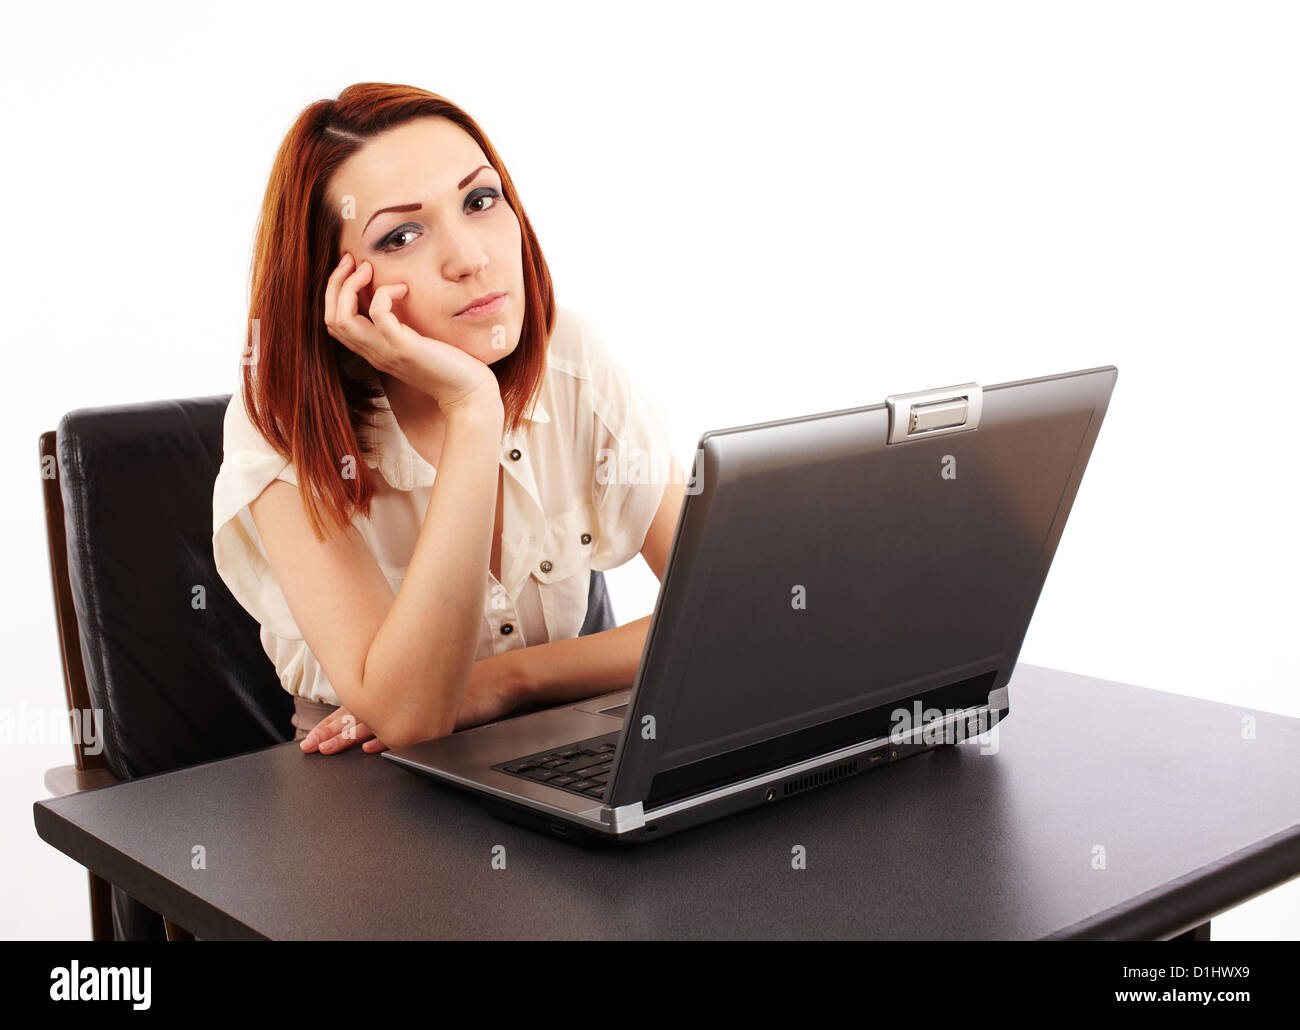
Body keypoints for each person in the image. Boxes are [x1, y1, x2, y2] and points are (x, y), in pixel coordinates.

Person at [211, 82, 686, 756]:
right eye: (401, 235)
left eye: (480, 200)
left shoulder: (568, 357)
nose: (471, 258)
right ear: (334, 286)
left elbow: (724, 612)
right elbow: (411, 719)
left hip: (557, 750)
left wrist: (506, 680)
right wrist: (471, 407)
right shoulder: (280, 432)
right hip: (366, 798)